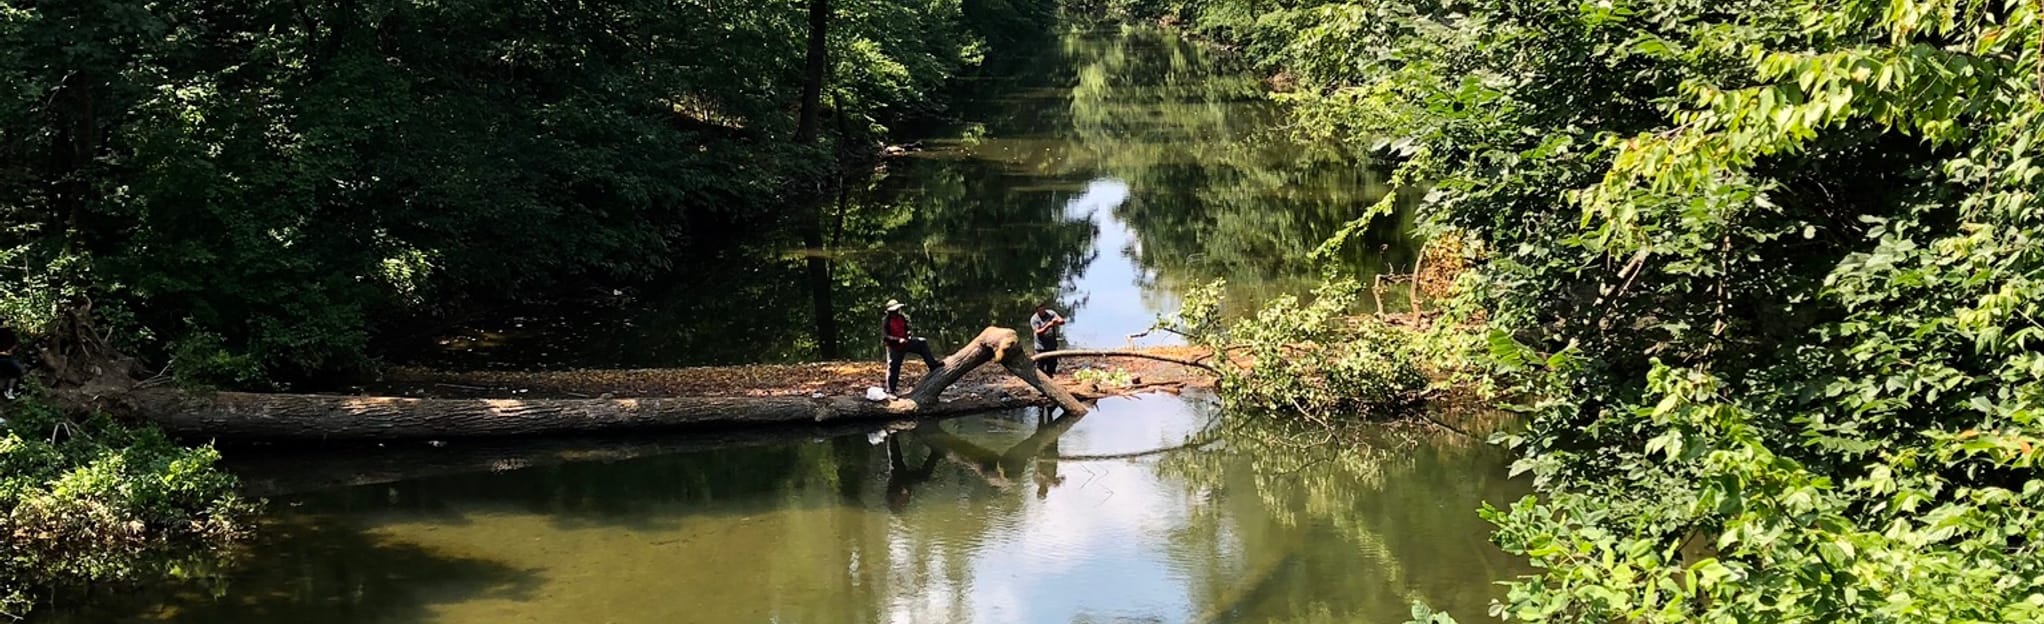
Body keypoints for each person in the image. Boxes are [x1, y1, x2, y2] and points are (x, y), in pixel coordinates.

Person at [880, 299, 942, 394]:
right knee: (893, 369)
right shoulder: (886, 321)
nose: (896, 311)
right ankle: (891, 391)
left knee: (922, 343)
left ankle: (932, 364)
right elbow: (885, 337)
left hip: (906, 343)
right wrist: (898, 340)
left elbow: (907, 328)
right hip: (895, 348)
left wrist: (908, 334)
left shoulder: (902, 317)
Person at [1029, 303, 1066, 377]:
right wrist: (1048, 325)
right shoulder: (1034, 319)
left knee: (1052, 366)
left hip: (1052, 346)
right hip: (1040, 347)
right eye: (1041, 310)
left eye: (1044, 309)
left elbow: (1062, 321)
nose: (1043, 311)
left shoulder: (1051, 313)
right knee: (1040, 367)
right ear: (1037, 310)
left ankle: (1050, 378)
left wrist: (1057, 322)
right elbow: (1038, 332)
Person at [0, 326, 23, 400]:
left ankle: (10, 390)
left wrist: (11, 350)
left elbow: (16, 344)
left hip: (8, 357)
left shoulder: (8, 332)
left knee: (17, 369)